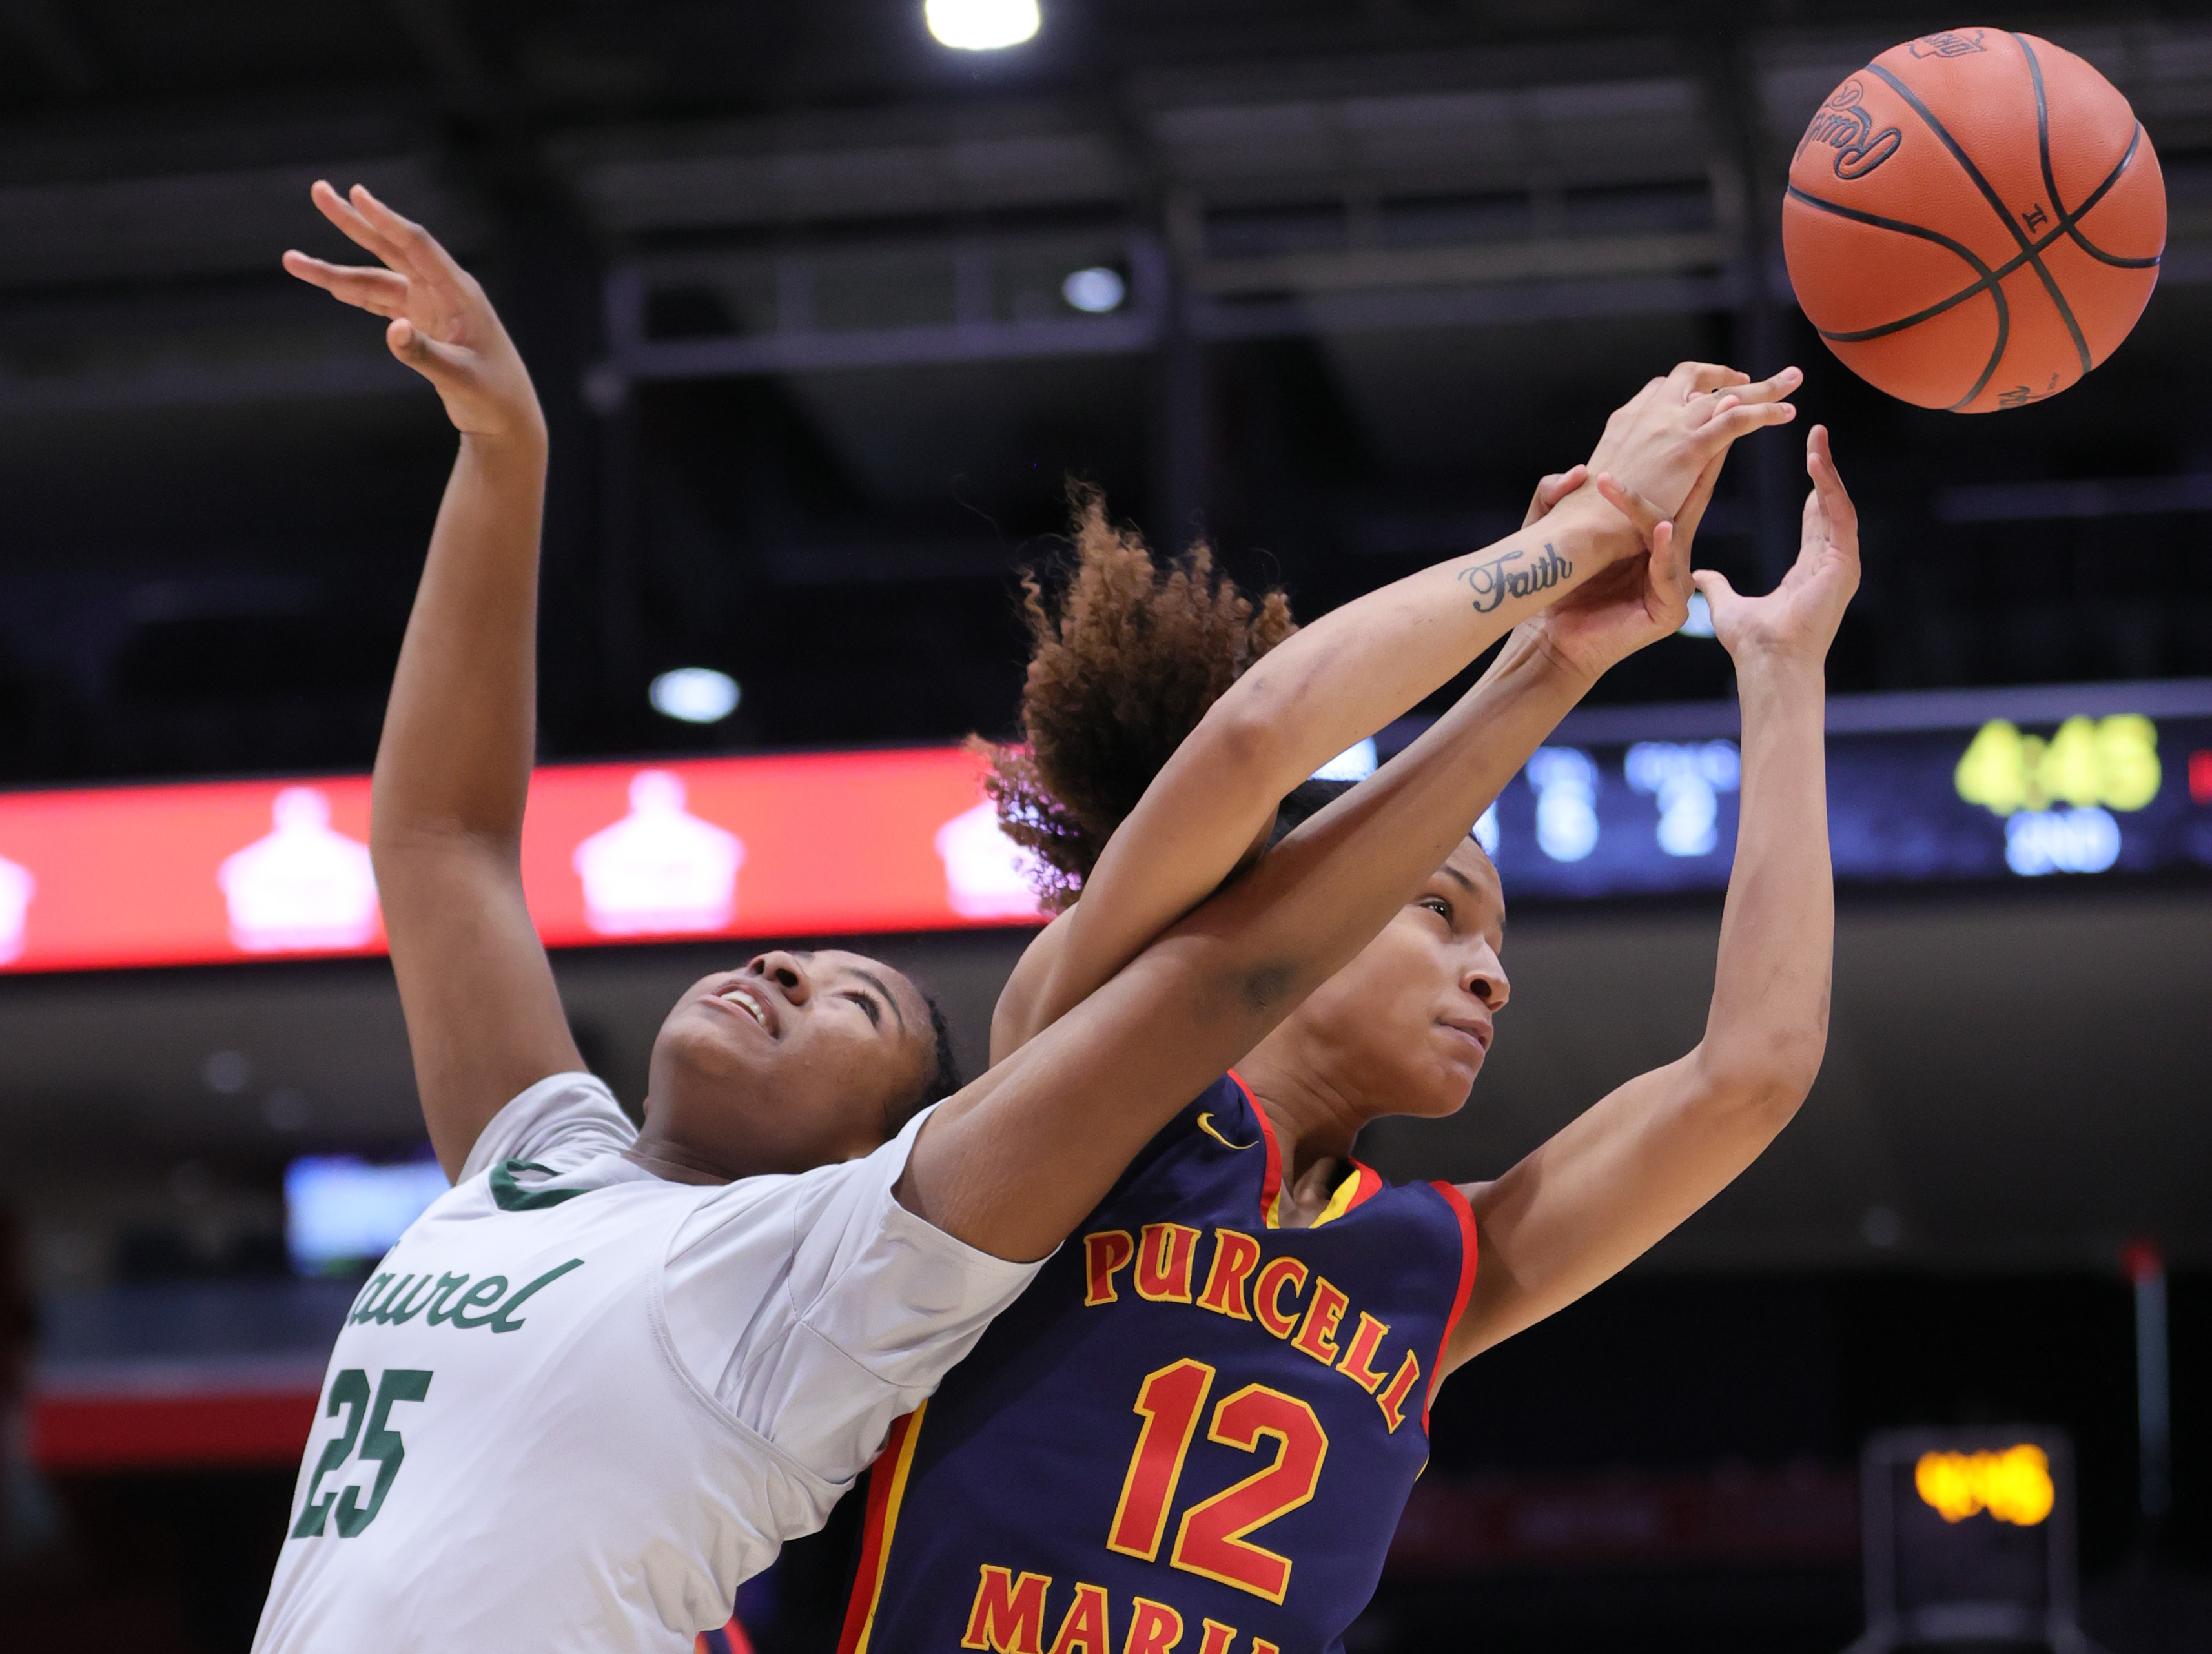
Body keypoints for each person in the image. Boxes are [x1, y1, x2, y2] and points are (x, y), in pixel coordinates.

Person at [251, 182, 1776, 1654]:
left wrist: (1563, 599)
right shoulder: (538, 1165)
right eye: (811, 969)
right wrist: (506, 450)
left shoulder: (847, 1265)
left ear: (881, 1144)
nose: (782, 966)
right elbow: (442, 842)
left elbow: (1237, 948)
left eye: (854, 1004)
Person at [838, 422, 1857, 1653]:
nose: (1491, 978)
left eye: (1494, 945)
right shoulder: (1079, 1070)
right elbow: (1253, 738)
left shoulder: (1438, 1261)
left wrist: (1782, 670)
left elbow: (1752, 1074)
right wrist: (1548, 608)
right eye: (1439, 910)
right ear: (1296, 899)